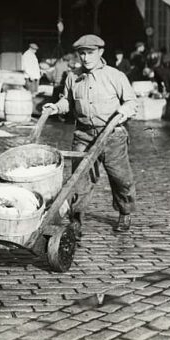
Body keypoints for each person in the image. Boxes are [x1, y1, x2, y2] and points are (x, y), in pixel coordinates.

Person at [42, 34, 138, 233]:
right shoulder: (73, 77)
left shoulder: (115, 76)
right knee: (79, 180)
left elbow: (131, 102)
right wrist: (55, 107)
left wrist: (122, 113)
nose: (85, 58)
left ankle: (125, 212)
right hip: (84, 135)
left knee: (121, 178)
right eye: (82, 53)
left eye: (90, 53)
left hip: (113, 135)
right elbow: (67, 101)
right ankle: (76, 218)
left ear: (101, 52)